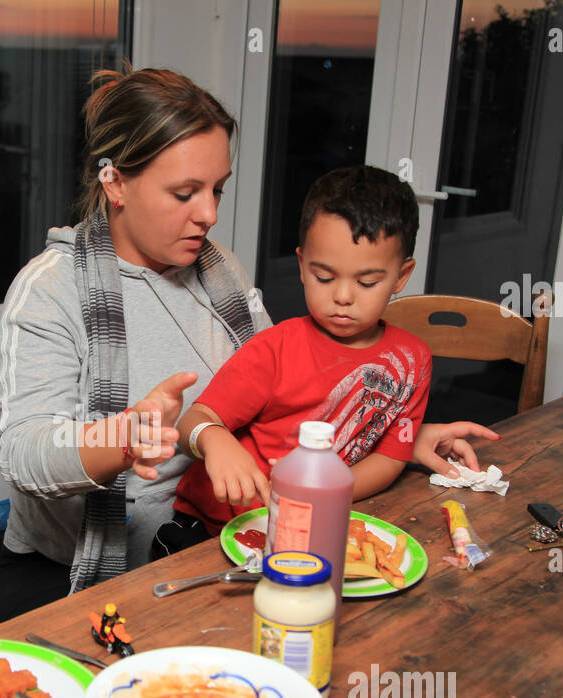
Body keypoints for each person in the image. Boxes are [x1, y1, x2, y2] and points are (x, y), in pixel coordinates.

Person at [0, 66, 498, 620]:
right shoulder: (50, 290)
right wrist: (126, 438)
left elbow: (284, 394)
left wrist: (395, 437)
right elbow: (22, 456)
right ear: (115, 182)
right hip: (74, 578)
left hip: (206, 550)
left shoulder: (219, 270)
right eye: (184, 193)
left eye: (217, 190)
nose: (208, 214)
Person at [162, 165, 430, 544]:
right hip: (217, 523)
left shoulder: (411, 361)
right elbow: (195, 419)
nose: (343, 296)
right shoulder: (277, 347)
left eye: (367, 282)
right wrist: (216, 440)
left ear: (402, 276)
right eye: (324, 277)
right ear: (303, 265)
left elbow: (390, 457)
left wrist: (320, 495)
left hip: (313, 523)